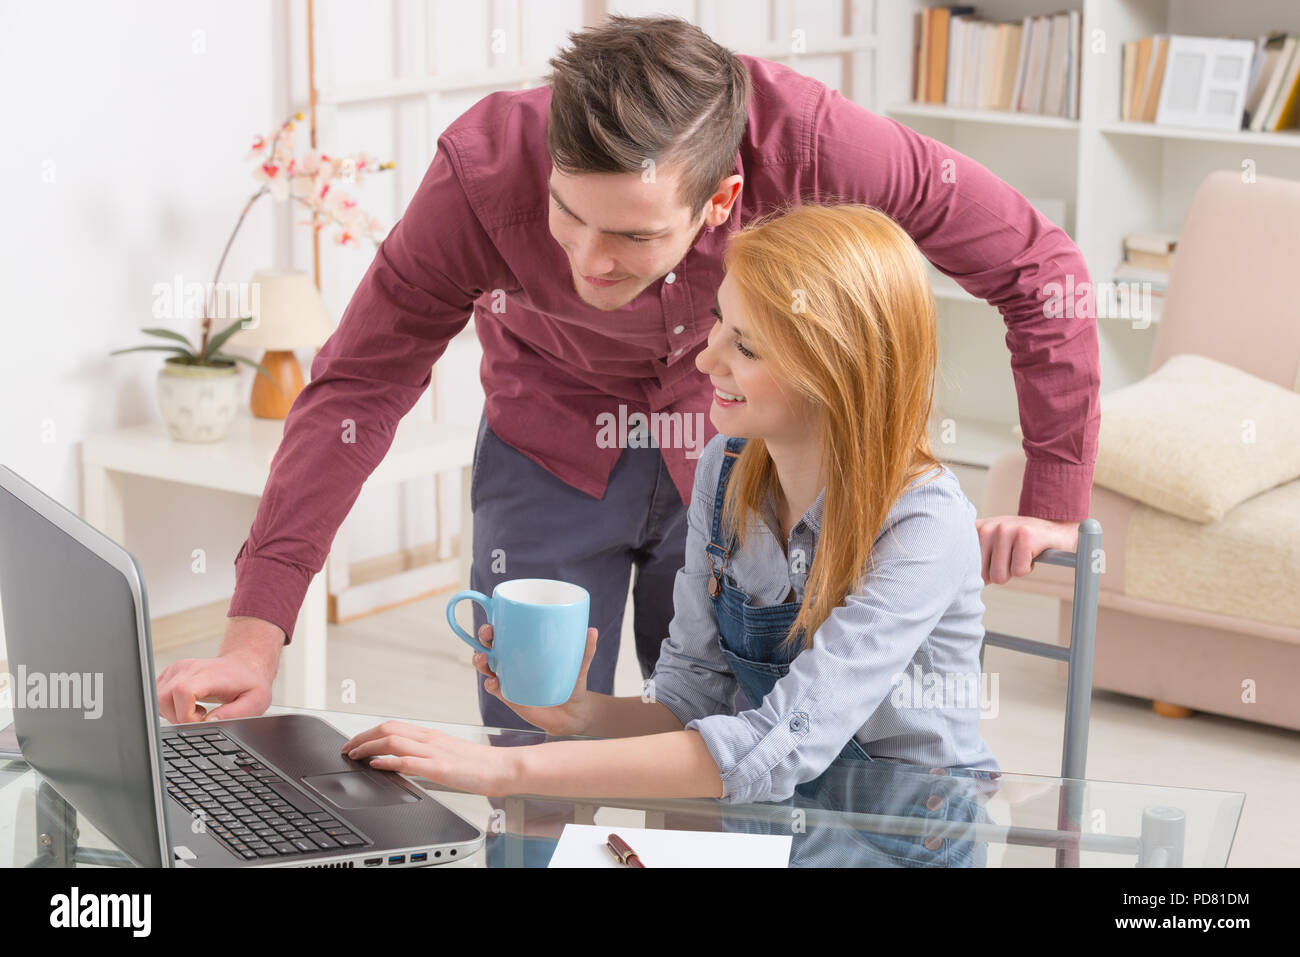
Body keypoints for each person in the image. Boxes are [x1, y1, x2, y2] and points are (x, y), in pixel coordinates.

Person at [156, 14, 1098, 731]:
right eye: (569, 215)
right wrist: (255, 633)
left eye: (635, 233)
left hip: (741, 453)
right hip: (547, 445)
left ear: (723, 198)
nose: (589, 262)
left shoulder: (817, 144)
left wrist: (1055, 488)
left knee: (714, 748)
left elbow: (1036, 266)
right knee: (532, 746)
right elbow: (359, 383)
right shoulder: (481, 174)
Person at [340, 203, 1000, 867]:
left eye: (745, 346)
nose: (705, 357)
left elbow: (780, 743)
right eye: (718, 321)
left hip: (904, 848)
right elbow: (691, 696)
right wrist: (582, 715)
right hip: (774, 832)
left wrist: (505, 772)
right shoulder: (727, 466)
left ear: (835, 370)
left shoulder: (924, 525)